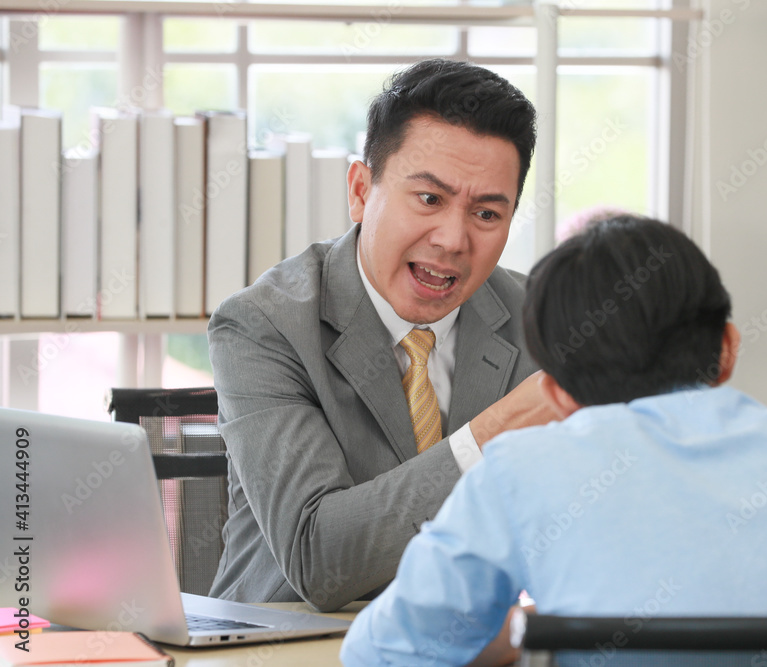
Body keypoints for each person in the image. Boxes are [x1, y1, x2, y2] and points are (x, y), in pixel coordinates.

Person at [340, 214, 767, 666]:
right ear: (726, 348)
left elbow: (383, 651)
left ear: (558, 394)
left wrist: (532, 628)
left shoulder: (521, 470)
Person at [207, 59, 558, 611]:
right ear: (360, 189)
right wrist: (496, 431)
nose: (452, 239)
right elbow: (318, 558)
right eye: (429, 199)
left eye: (487, 214)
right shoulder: (264, 325)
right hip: (292, 641)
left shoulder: (542, 317)